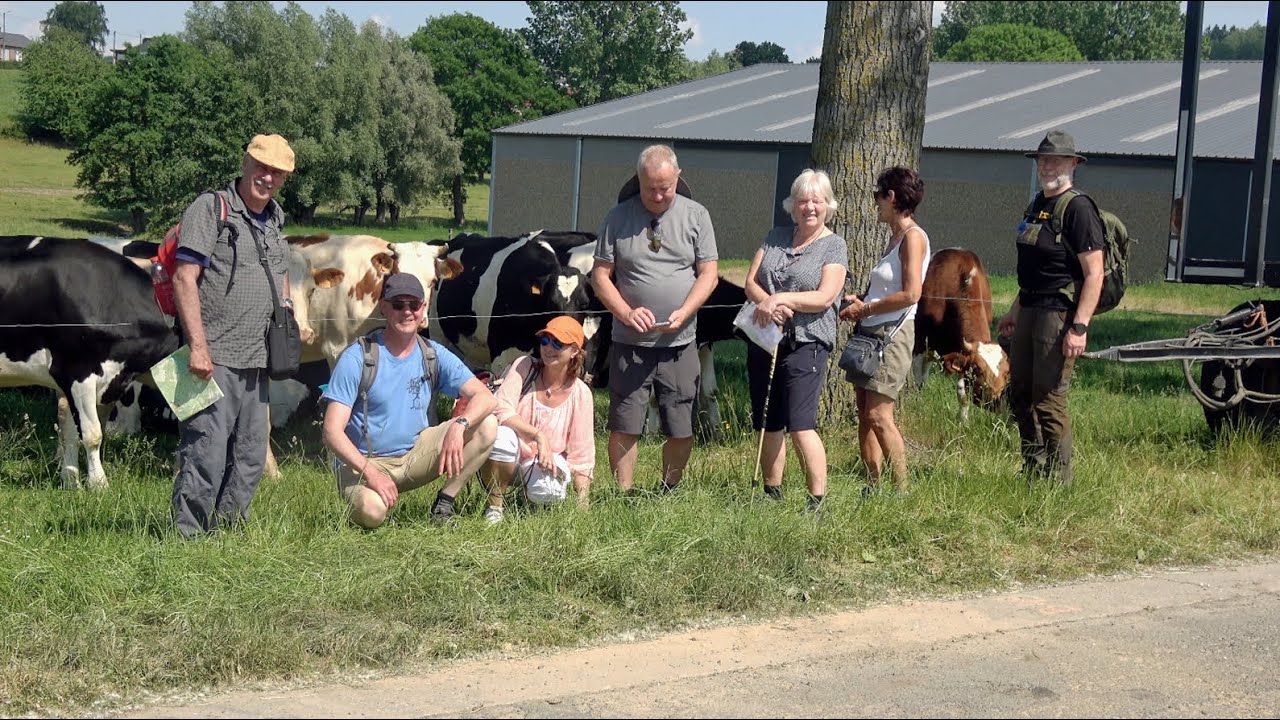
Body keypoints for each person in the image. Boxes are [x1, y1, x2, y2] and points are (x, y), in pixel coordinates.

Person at [171, 133, 296, 538]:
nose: (267, 178)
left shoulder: (275, 218)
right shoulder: (213, 209)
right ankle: (188, 538)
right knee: (205, 450)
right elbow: (184, 277)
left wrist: (286, 311)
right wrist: (199, 347)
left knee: (250, 456)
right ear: (245, 164)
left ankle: (227, 534)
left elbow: (280, 274)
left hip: (259, 358)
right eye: (261, 167)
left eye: (277, 173)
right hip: (216, 356)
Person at [321, 273, 498, 529]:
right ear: (383, 307)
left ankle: (444, 504)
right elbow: (331, 431)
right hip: (364, 463)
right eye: (398, 304)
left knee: (487, 425)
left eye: (413, 304)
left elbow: (485, 397)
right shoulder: (359, 356)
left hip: (414, 454)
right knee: (373, 512)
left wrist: (459, 424)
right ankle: (368, 507)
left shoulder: (432, 353)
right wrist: (370, 472)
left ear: (423, 308)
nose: (407, 312)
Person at [591, 145, 719, 494]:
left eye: (666, 187)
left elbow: (709, 273)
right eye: (651, 188)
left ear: (678, 177)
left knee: (680, 424)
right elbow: (600, 276)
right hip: (630, 343)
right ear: (638, 180)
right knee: (625, 421)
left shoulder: (697, 216)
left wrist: (686, 310)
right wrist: (626, 312)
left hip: (680, 342)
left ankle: (669, 488)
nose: (659, 195)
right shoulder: (617, 218)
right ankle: (624, 493)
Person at [997, 129, 1104, 487]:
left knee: (1049, 398)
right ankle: (1033, 469)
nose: (1047, 166)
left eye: (1055, 160)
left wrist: (1079, 327)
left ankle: (1059, 483)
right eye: (1043, 160)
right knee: (1020, 394)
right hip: (1029, 306)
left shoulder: (1078, 209)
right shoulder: (1036, 204)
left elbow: (1094, 274)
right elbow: (1032, 269)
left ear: (1073, 164)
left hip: (1057, 314)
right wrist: (1015, 308)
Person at [743, 170, 848, 510]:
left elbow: (824, 296)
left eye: (817, 201)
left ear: (827, 205)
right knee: (768, 420)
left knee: (801, 424)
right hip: (766, 338)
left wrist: (782, 300)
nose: (809, 208)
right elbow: (751, 282)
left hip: (807, 341)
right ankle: (771, 493)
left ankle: (816, 499)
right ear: (792, 205)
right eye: (803, 200)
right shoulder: (774, 236)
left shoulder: (834, 245)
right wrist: (766, 302)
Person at [839, 166, 931, 494]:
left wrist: (865, 308)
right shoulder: (894, 238)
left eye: (878, 196)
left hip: (891, 335)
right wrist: (861, 299)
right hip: (871, 332)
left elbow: (911, 293)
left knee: (879, 415)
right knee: (865, 414)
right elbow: (885, 290)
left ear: (891, 197)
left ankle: (901, 491)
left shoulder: (913, 238)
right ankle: (873, 486)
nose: (876, 203)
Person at [478, 316, 596, 523]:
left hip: (543, 462)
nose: (548, 348)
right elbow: (500, 408)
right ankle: (495, 508)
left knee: (547, 491)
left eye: (558, 343)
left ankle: (525, 503)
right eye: (545, 341)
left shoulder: (581, 393)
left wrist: (582, 505)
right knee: (502, 437)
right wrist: (538, 436)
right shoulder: (524, 366)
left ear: (575, 351)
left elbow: (582, 454)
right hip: (510, 455)